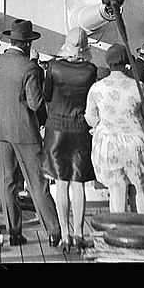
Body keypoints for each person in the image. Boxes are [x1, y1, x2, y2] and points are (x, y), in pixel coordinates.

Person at [0, 19, 61, 248]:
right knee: (37, 182)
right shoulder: (29, 67)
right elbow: (35, 102)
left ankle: (14, 232)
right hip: (24, 131)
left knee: (8, 181)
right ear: (27, 44)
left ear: (11, 40)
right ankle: (54, 231)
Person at [42, 27, 97, 253]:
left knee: (61, 182)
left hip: (57, 129)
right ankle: (79, 233)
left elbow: (46, 96)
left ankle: (64, 234)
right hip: (80, 129)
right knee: (78, 183)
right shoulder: (90, 70)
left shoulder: (54, 67)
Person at [84, 43, 144, 215]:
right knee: (139, 189)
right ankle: (142, 229)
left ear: (108, 62)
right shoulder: (139, 86)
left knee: (116, 189)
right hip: (136, 143)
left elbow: (90, 118)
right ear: (126, 62)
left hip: (109, 144)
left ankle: (119, 230)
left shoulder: (97, 88)